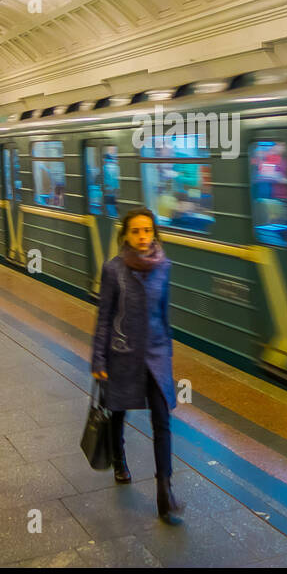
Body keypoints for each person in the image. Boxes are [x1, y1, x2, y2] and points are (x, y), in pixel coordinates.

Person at [91, 207, 183, 525]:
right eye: (136, 231)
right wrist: (98, 359)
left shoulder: (165, 267)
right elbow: (104, 317)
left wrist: (168, 352)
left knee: (162, 420)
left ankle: (164, 489)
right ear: (126, 236)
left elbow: (164, 313)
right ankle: (119, 458)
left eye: (148, 231)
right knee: (118, 411)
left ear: (154, 233)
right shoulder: (113, 270)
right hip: (123, 353)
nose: (143, 237)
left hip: (156, 354)